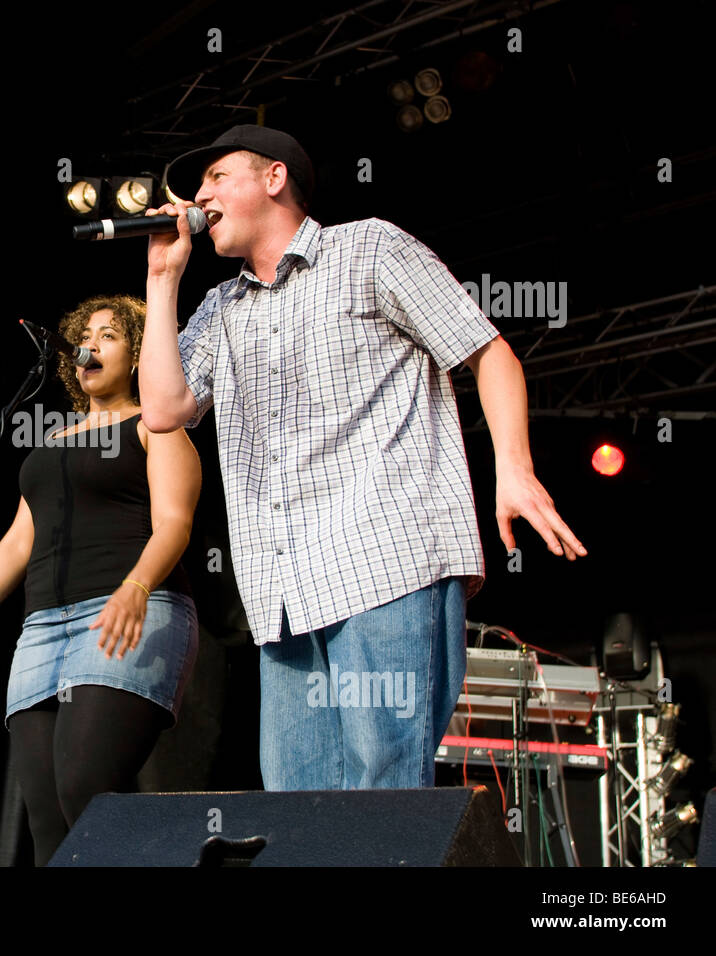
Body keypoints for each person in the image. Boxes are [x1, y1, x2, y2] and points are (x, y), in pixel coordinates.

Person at [138, 124, 586, 793]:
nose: (200, 198)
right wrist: (161, 278)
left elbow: (488, 351)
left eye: (216, 179)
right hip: (280, 590)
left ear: (273, 178)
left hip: (385, 561)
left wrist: (513, 469)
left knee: (385, 794)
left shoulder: (368, 247)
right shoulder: (220, 304)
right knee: (297, 813)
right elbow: (164, 409)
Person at [0, 295, 202, 866]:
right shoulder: (52, 442)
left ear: (139, 354)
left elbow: (175, 523)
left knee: (83, 788)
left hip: (129, 612)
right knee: (45, 821)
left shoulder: (156, 425)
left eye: (109, 335)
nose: (89, 345)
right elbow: (19, 543)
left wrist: (135, 586)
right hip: (42, 632)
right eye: (83, 336)